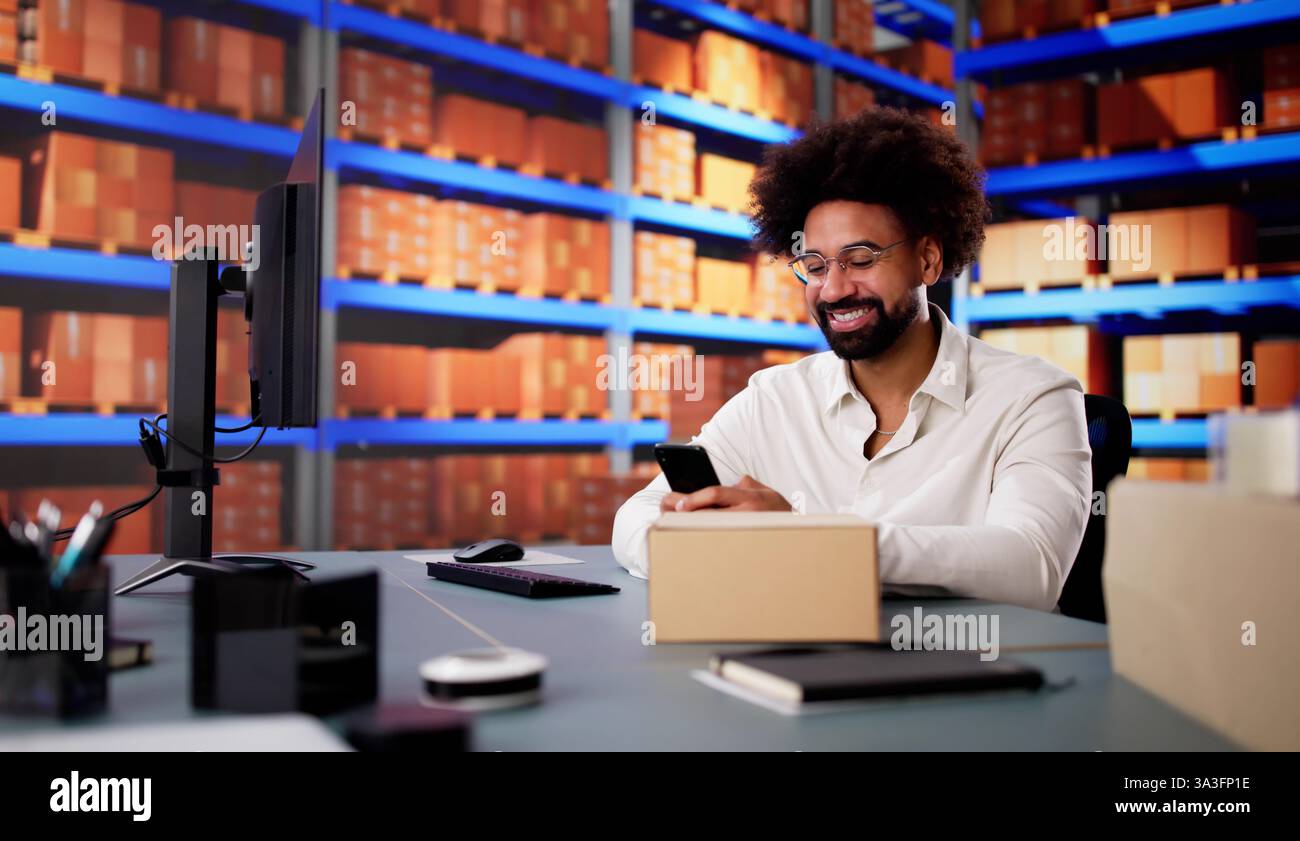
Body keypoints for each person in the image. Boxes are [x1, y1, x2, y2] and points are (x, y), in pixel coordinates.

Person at [612, 107, 1091, 612]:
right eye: (814, 266)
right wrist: (701, 547)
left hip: (970, 672)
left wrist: (813, 544)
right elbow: (637, 515)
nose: (834, 288)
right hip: (799, 666)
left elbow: (1031, 566)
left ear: (927, 260)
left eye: (861, 259)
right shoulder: (774, 399)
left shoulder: (1031, 398)